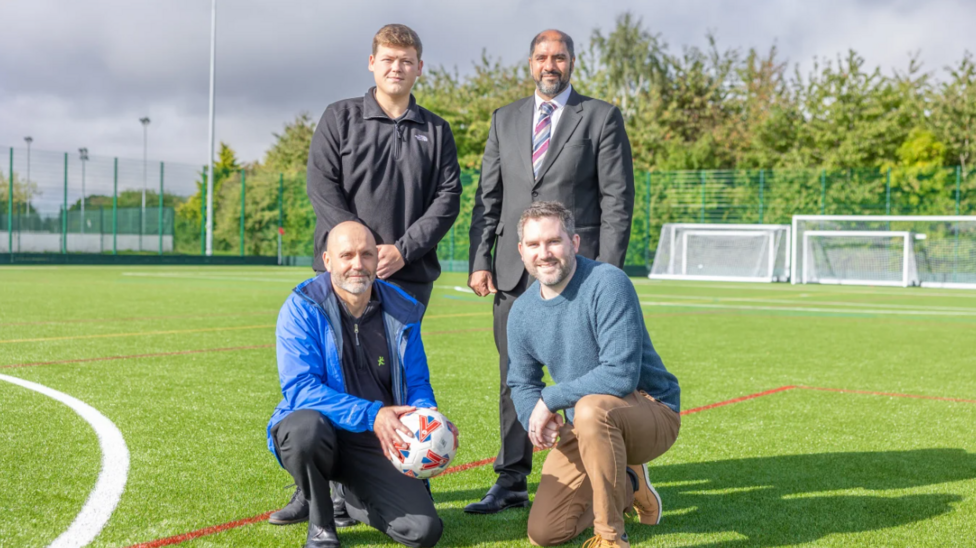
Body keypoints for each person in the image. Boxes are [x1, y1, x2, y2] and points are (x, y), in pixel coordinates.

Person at [273, 23, 461, 528]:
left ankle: (393, 467)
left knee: (392, 376)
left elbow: (448, 200)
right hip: (345, 267)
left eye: (407, 60)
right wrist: (359, 246)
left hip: (407, 271)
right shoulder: (341, 117)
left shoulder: (436, 129)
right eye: (388, 59)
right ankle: (312, 490)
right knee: (327, 371)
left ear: (420, 67)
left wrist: (401, 250)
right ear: (372, 63)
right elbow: (322, 185)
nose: (396, 67)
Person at [465, 29, 635, 513]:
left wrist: (609, 272)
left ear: (572, 63)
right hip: (514, 273)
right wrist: (481, 259)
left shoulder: (600, 117)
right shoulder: (505, 119)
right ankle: (511, 479)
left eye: (559, 57)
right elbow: (488, 198)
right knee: (513, 377)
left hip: (581, 273)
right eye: (542, 56)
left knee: (592, 375)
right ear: (530, 62)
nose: (549, 64)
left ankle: (610, 468)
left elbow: (617, 198)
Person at [507, 202, 680, 548]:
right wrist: (535, 415)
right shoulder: (522, 311)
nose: (545, 253)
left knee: (590, 409)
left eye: (554, 242)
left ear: (574, 242)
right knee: (545, 533)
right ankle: (630, 482)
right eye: (534, 245)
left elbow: (621, 375)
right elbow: (522, 382)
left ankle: (610, 536)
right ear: (521, 251)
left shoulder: (607, 283)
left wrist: (550, 400)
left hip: (651, 411)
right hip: (585, 426)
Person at [266, 221, 444, 548]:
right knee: (306, 429)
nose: (357, 264)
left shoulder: (402, 310)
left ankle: (350, 499)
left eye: (366, 254)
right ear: (328, 260)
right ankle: (321, 524)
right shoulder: (303, 306)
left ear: (378, 260)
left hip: (378, 439)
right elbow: (301, 388)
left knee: (423, 531)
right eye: (346, 255)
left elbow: (417, 381)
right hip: (322, 430)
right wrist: (372, 414)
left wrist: (430, 419)